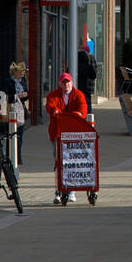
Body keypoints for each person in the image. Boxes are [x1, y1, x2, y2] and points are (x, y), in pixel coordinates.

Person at [46, 73, 88, 204]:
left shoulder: (78, 94)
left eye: (68, 82)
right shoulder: (53, 95)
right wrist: (55, 111)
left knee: (72, 160)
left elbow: (83, 109)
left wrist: (77, 114)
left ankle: (71, 191)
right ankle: (59, 191)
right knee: (59, 160)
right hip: (57, 134)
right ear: (59, 83)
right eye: (63, 82)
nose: (66, 85)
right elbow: (50, 106)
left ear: (72, 82)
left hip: (74, 134)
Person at [0, 61, 29, 165]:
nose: (23, 74)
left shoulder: (23, 81)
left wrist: (25, 95)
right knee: (10, 135)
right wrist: (16, 96)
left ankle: (18, 157)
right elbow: (3, 96)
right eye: (21, 72)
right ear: (15, 72)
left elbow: (27, 94)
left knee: (19, 136)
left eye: (23, 72)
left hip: (20, 112)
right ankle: (9, 156)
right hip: (10, 111)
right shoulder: (8, 82)